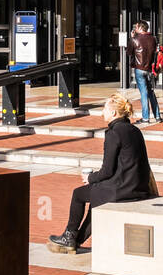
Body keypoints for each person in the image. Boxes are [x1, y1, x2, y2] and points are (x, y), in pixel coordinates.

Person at [49, 92, 155, 253]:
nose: (102, 112)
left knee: (78, 194)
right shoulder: (134, 130)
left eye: (105, 108)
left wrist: (90, 178)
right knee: (95, 196)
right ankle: (74, 241)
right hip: (137, 186)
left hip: (121, 189)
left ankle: (69, 235)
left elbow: (107, 170)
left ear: (113, 113)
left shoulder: (114, 133)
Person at [126, 20, 162, 125]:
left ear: (141, 28)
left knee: (143, 94)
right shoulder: (153, 39)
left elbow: (128, 52)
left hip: (139, 69)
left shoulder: (135, 39)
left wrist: (132, 38)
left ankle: (145, 118)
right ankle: (157, 116)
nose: (135, 29)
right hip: (150, 69)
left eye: (136, 27)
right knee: (151, 93)